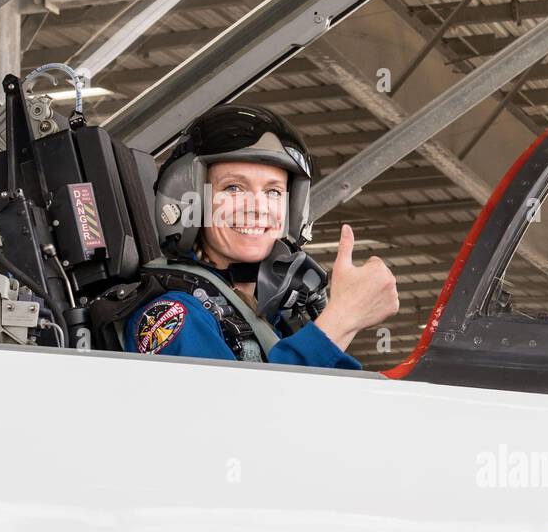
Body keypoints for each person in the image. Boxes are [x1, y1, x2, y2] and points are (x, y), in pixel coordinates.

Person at [125, 105, 399, 369]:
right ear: (189, 201)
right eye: (233, 188)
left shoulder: (272, 321)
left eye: (273, 192)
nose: (257, 207)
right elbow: (240, 414)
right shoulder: (173, 316)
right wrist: (343, 318)